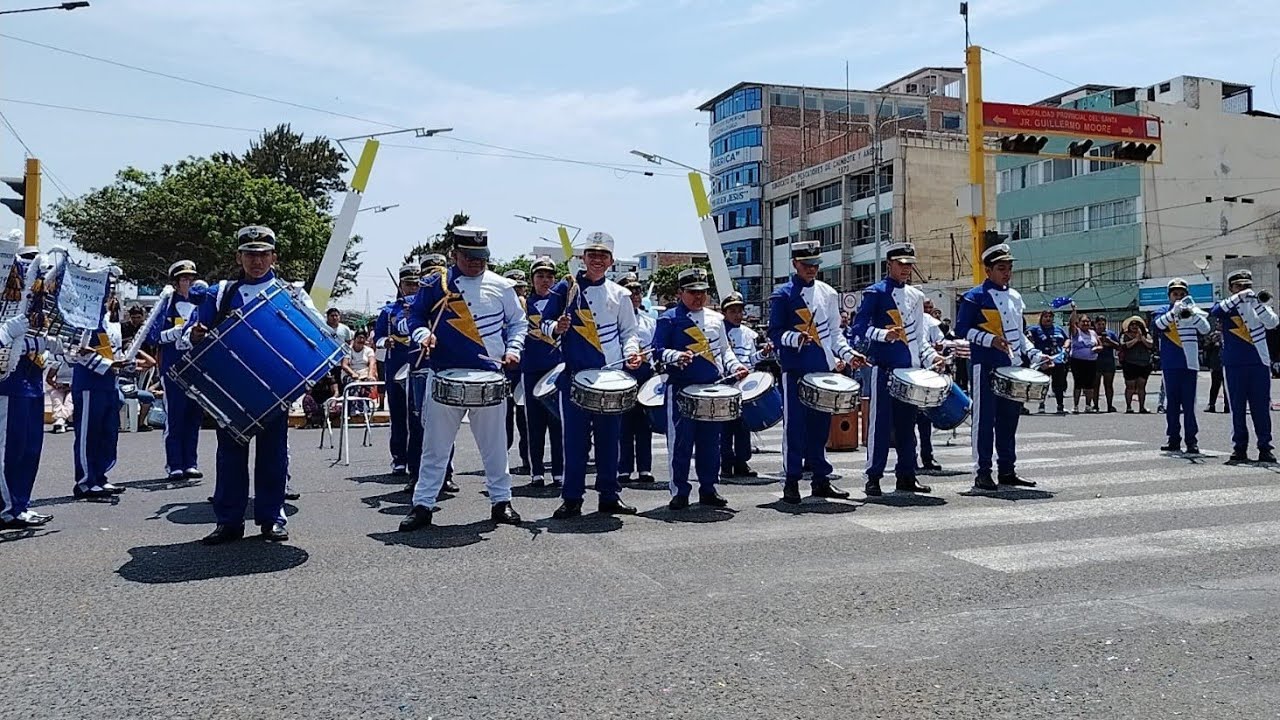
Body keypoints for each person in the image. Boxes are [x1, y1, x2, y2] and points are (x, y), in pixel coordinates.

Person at [399, 226, 527, 531]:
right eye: (469, 257)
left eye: (481, 257)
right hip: (445, 373)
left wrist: (513, 349)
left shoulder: (502, 286)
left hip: (490, 376)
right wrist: (423, 334)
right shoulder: (436, 284)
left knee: (495, 446)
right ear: (454, 254)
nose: (476, 263)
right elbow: (414, 316)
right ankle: (423, 504)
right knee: (435, 446)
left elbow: (518, 323)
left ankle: (501, 500)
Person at [185, 225, 300, 544]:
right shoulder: (220, 293)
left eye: (263, 254)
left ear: (274, 257)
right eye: (250, 254)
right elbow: (193, 334)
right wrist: (194, 336)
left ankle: (272, 517)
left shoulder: (290, 294)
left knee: (273, 455)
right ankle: (228, 521)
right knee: (229, 456)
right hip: (230, 387)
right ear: (239, 257)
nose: (256, 261)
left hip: (274, 388)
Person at [540, 232, 642, 519]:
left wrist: (632, 352)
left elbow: (628, 332)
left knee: (610, 440)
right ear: (583, 258)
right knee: (575, 441)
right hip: (575, 376)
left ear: (611, 261)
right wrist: (556, 328)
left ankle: (609, 495)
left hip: (610, 377)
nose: (597, 260)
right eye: (592, 255)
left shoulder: (620, 294)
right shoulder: (565, 288)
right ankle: (572, 497)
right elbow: (543, 323)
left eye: (603, 256)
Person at [767, 240, 865, 504]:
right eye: (806, 264)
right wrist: (795, 338)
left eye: (815, 264)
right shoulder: (783, 295)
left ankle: (821, 479)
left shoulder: (828, 293)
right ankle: (791, 481)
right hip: (796, 371)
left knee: (820, 429)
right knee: (795, 429)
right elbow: (774, 333)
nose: (811, 269)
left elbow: (834, 334)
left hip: (822, 371)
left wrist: (849, 355)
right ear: (795, 264)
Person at [955, 243, 1052, 493]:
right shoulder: (974, 296)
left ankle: (1007, 470)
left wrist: (1036, 354)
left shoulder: (1016, 297)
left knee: (1009, 421)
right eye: (1001, 268)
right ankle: (982, 472)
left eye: (1009, 268)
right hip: (985, 365)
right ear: (988, 270)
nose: (1007, 273)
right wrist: (990, 340)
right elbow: (961, 330)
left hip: (1013, 367)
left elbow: (1019, 335)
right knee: (984, 421)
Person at [850, 242, 941, 496]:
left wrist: (932, 357)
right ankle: (873, 476)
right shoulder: (875, 292)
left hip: (910, 372)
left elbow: (919, 338)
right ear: (889, 264)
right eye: (901, 264)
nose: (906, 269)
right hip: (885, 369)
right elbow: (858, 329)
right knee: (880, 426)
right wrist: (882, 334)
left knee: (907, 426)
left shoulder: (916, 296)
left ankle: (907, 475)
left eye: (909, 265)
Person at [653, 268, 747, 509]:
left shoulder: (716, 319)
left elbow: (724, 351)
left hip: (711, 389)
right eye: (692, 292)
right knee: (680, 443)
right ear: (680, 293)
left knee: (710, 442)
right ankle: (679, 491)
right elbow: (657, 351)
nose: (698, 297)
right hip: (681, 389)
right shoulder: (669, 318)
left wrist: (736, 366)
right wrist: (676, 356)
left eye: (702, 292)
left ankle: (708, 488)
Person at [0, 275, 62, 527]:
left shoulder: (37, 316)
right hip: (9, 387)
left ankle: (19, 504)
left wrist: (51, 346)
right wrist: (9, 334)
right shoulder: (8, 308)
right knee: (8, 451)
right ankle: (6, 508)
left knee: (29, 450)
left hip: (34, 385)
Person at [400, 254, 457, 498]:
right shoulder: (414, 301)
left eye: (438, 271)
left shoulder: (453, 298)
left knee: (447, 425)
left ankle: (446, 474)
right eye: (429, 272)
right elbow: (402, 326)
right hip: (420, 368)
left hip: (444, 367)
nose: (434, 276)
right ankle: (415, 474)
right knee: (418, 424)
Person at [1210, 269, 1279, 464]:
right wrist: (1239, 297)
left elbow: (1272, 323)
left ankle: (1265, 447)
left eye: (1246, 286)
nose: (1243, 289)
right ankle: (1239, 448)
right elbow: (1215, 312)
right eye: (1238, 286)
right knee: (1237, 408)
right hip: (1234, 364)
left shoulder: (1260, 305)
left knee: (1261, 408)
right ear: (1230, 288)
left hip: (1259, 363)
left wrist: (1256, 303)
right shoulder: (1226, 306)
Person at [148, 260, 208, 480]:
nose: (189, 283)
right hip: (173, 368)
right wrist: (174, 333)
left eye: (192, 279)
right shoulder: (166, 304)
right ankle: (174, 464)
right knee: (175, 416)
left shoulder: (202, 304)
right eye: (184, 279)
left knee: (194, 416)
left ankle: (190, 462)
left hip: (197, 368)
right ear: (175, 282)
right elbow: (152, 336)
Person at [70, 282, 130, 502]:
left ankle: (100, 476)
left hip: (108, 384)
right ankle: (86, 481)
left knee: (107, 433)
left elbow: (113, 352)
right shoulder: (81, 320)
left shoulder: (107, 322)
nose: (106, 299)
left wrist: (124, 362)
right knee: (89, 434)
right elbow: (75, 351)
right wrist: (109, 365)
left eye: (108, 294)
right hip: (89, 385)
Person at [1152, 279, 1210, 454]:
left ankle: (1191, 440)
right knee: (1172, 404)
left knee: (1189, 405)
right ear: (1169, 296)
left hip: (1189, 365)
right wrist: (1174, 312)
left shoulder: (1193, 310)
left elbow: (1205, 329)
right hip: (1170, 365)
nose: (1178, 297)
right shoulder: (1163, 311)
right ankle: (1173, 439)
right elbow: (1157, 325)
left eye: (1182, 294)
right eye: (1175, 294)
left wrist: (1192, 313)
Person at [521, 256, 564, 487]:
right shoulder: (522, 305)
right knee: (534, 423)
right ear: (532, 279)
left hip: (557, 369)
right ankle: (536, 471)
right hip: (531, 369)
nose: (545, 280)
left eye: (549, 276)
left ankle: (559, 471)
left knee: (558, 422)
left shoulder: (562, 304)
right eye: (540, 276)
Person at [374, 263, 420, 475]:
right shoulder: (388, 311)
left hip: (419, 365)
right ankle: (399, 458)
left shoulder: (425, 308)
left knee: (419, 416)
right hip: (396, 366)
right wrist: (385, 342)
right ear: (400, 285)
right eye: (408, 284)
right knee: (398, 413)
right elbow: (378, 337)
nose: (412, 288)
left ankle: (419, 460)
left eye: (416, 284)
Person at [720, 291, 767, 477]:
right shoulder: (719, 331)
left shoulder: (748, 334)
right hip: (725, 383)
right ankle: (725, 462)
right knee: (725, 426)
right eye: (733, 311)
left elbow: (750, 359)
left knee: (743, 425)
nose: (738, 315)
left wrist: (763, 354)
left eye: (740, 311)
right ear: (724, 313)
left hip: (744, 384)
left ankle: (742, 461)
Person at [617, 273, 657, 484]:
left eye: (638, 291)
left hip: (644, 373)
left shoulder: (649, 320)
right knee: (623, 424)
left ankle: (644, 468)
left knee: (644, 424)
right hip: (623, 373)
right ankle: (623, 468)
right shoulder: (614, 319)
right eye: (630, 291)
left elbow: (655, 348)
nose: (635, 295)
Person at [502, 268, 531, 475]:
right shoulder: (498, 310)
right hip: (503, 370)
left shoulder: (532, 310)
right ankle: (500, 460)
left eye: (521, 289)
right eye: (514, 289)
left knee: (525, 420)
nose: (518, 293)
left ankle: (528, 460)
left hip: (524, 370)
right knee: (502, 420)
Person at [917, 297, 946, 472]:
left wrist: (940, 347)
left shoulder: (932, 323)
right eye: (925, 307)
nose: (927, 310)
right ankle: (909, 458)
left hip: (929, 374)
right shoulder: (912, 320)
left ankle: (927, 457)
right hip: (912, 373)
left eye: (930, 307)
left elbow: (941, 341)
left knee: (925, 419)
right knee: (908, 421)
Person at [1027, 310, 1068, 414]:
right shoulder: (1035, 329)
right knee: (1043, 384)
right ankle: (1041, 405)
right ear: (1041, 318)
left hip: (1057, 361)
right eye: (1045, 317)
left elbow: (1067, 339)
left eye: (1050, 317)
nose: (1048, 319)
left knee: (1059, 385)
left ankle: (1060, 405)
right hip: (1043, 361)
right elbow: (1026, 335)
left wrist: (1066, 346)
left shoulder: (1058, 329)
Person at [1067, 308, 1101, 413]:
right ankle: (1076, 406)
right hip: (1078, 361)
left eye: (1087, 321)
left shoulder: (1093, 333)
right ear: (1079, 323)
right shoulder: (1076, 332)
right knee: (1078, 383)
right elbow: (1071, 323)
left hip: (1091, 361)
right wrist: (1074, 311)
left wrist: (1097, 348)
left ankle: (1088, 405)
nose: (1086, 323)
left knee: (1090, 384)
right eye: (1083, 321)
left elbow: (1100, 345)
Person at [339, 330, 377, 417]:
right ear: (355, 339)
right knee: (355, 385)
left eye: (363, 338)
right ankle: (352, 409)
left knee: (368, 383)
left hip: (364, 373)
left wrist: (370, 375)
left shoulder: (369, 350)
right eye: (359, 338)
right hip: (350, 373)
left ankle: (364, 408)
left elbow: (372, 363)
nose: (361, 340)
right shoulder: (348, 350)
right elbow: (344, 365)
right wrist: (353, 374)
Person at [1120, 317, 1154, 413]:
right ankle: (1129, 407)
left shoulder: (1146, 335)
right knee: (1130, 387)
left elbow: (1150, 345)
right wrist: (1135, 339)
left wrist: (1142, 338)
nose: (1134, 326)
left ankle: (1142, 407)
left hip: (1144, 364)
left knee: (1141, 386)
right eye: (1132, 325)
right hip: (1130, 364)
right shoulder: (1125, 335)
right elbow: (1124, 345)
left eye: (1137, 324)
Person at [1094, 316, 1120, 413]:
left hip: (1108, 362)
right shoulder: (1092, 334)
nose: (1101, 326)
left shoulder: (1111, 334)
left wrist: (1110, 341)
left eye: (1103, 324)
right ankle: (1095, 405)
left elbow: (1119, 347)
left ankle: (1110, 405)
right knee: (1095, 385)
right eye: (1099, 324)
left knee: (1108, 385)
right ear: (1095, 324)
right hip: (1095, 362)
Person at [46, 353, 73, 434]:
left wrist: (70, 387)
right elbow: (49, 378)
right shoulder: (59, 362)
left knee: (70, 399)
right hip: (60, 387)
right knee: (55, 396)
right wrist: (55, 385)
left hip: (74, 387)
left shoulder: (78, 363)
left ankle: (60, 420)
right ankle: (61, 420)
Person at [1204, 319, 1228, 413]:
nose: (1219, 324)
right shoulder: (1213, 335)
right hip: (1216, 365)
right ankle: (1211, 405)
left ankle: (1227, 405)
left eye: (1220, 323)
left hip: (1226, 364)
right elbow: (1206, 348)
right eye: (1217, 323)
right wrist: (1212, 342)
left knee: (1227, 387)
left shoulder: (1228, 334)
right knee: (1214, 386)